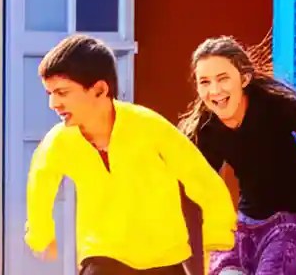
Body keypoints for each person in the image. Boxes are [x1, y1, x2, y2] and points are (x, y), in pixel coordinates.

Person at [25, 34, 236, 275]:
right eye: (49, 93)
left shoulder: (151, 128)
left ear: (99, 89)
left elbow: (204, 182)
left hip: (164, 261)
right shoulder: (59, 141)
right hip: (103, 258)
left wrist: (219, 243)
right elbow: (40, 183)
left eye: (62, 93)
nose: (53, 103)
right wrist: (41, 233)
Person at [178, 35, 296, 275]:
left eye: (223, 78)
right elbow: (204, 188)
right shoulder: (207, 130)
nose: (215, 90)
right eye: (204, 82)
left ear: (244, 78)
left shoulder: (274, 106)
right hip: (245, 223)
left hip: (290, 220)